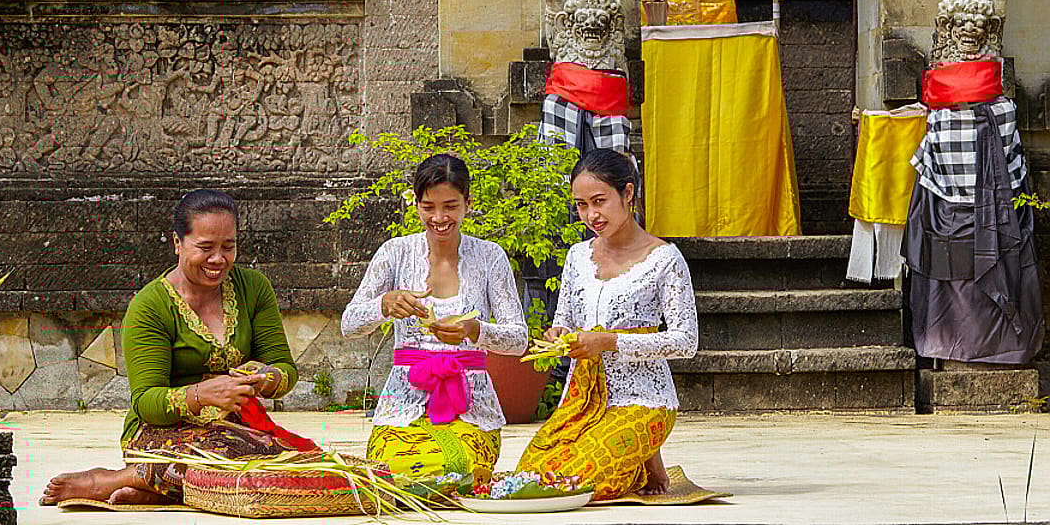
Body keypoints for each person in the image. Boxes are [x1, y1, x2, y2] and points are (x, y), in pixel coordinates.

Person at [40, 189, 309, 506]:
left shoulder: (254, 288)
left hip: (235, 430)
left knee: (289, 466)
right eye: (205, 248)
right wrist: (204, 394)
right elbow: (146, 402)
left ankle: (154, 490)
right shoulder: (150, 306)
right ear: (177, 243)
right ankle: (110, 479)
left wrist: (268, 377)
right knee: (222, 460)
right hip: (162, 436)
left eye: (229, 247)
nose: (218, 259)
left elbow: (285, 367)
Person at [517, 149, 698, 499]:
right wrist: (558, 335)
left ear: (628, 194)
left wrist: (610, 342)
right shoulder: (577, 257)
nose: (591, 215)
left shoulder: (664, 259)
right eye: (582, 205)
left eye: (599, 201)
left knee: (573, 482)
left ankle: (643, 454)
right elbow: (566, 321)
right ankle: (641, 460)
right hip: (582, 400)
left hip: (644, 400)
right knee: (532, 476)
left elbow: (685, 341)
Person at [341, 153, 528, 481]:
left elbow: (518, 339)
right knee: (392, 470)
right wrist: (384, 305)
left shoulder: (489, 256)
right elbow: (349, 325)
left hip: (471, 409)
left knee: (453, 469)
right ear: (416, 205)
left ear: (467, 203)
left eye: (450, 206)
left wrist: (474, 330)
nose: (439, 217)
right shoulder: (394, 253)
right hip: (401, 407)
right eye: (429, 207)